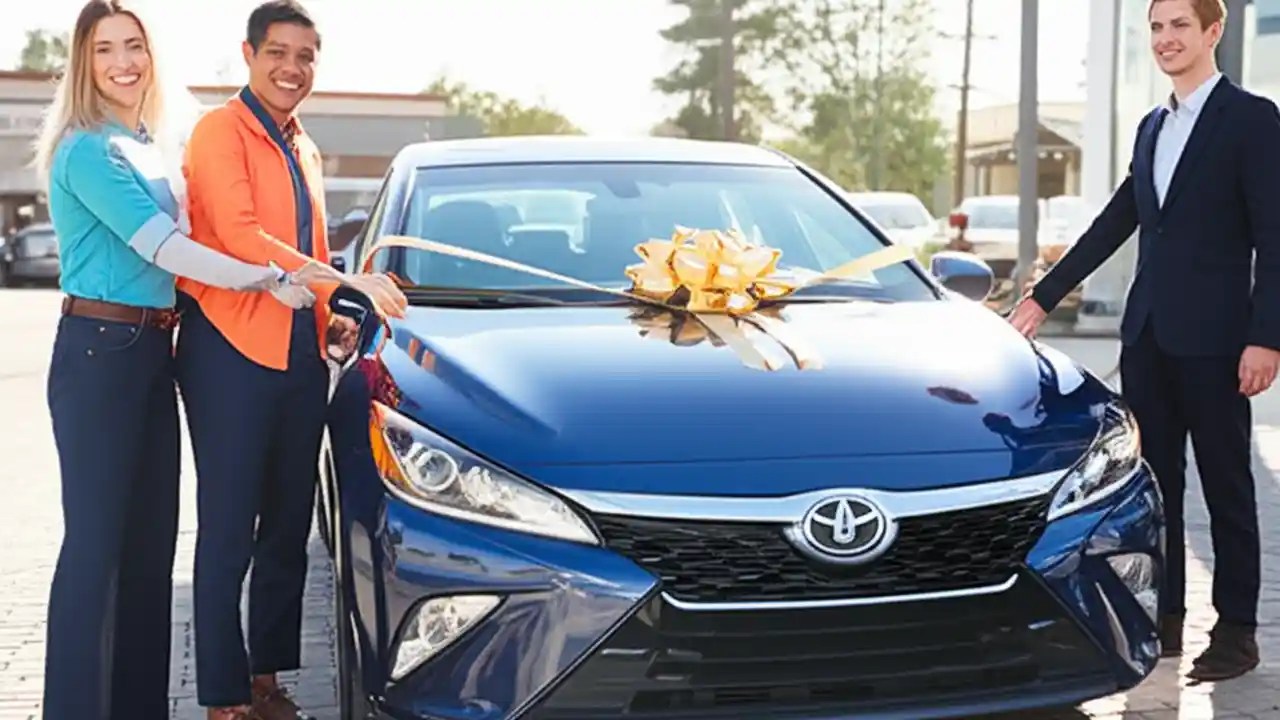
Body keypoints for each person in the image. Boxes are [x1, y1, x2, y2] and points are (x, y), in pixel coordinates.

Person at [33, 2, 330, 719]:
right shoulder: (86, 149)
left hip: (152, 351)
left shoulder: (147, 145)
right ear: (83, 63)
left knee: (149, 551)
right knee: (95, 549)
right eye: (105, 50)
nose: (123, 63)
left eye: (134, 46)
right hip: (98, 352)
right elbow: (167, 249)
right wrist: (268, 279)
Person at [1009, 0, 1278, 682]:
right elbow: (1116, 220)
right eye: (1156, 27)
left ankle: (1237, 633)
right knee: (1155, 489)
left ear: (1213, 31)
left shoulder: (1252, 120)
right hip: (1149, 339)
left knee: (1226, 486)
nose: (1165, 39)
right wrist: (1043, 295)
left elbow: (1276, 237)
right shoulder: (1153, 126)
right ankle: (1164, 622)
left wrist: (1266, 337)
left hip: (1218, 343)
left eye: (1180, 25)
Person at [174, 2, 406, 718]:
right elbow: (240, 236)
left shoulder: (303, 145)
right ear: (249, 55)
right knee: (229, 527)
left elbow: (313, 248)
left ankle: (265, 681)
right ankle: (222, 698)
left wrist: (334, 311)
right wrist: (345, 281)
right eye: (277, 52)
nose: (292, 68)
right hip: (228, 350)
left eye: (305, 56)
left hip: (299, 355)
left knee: (286, 525)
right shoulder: (220, 132)